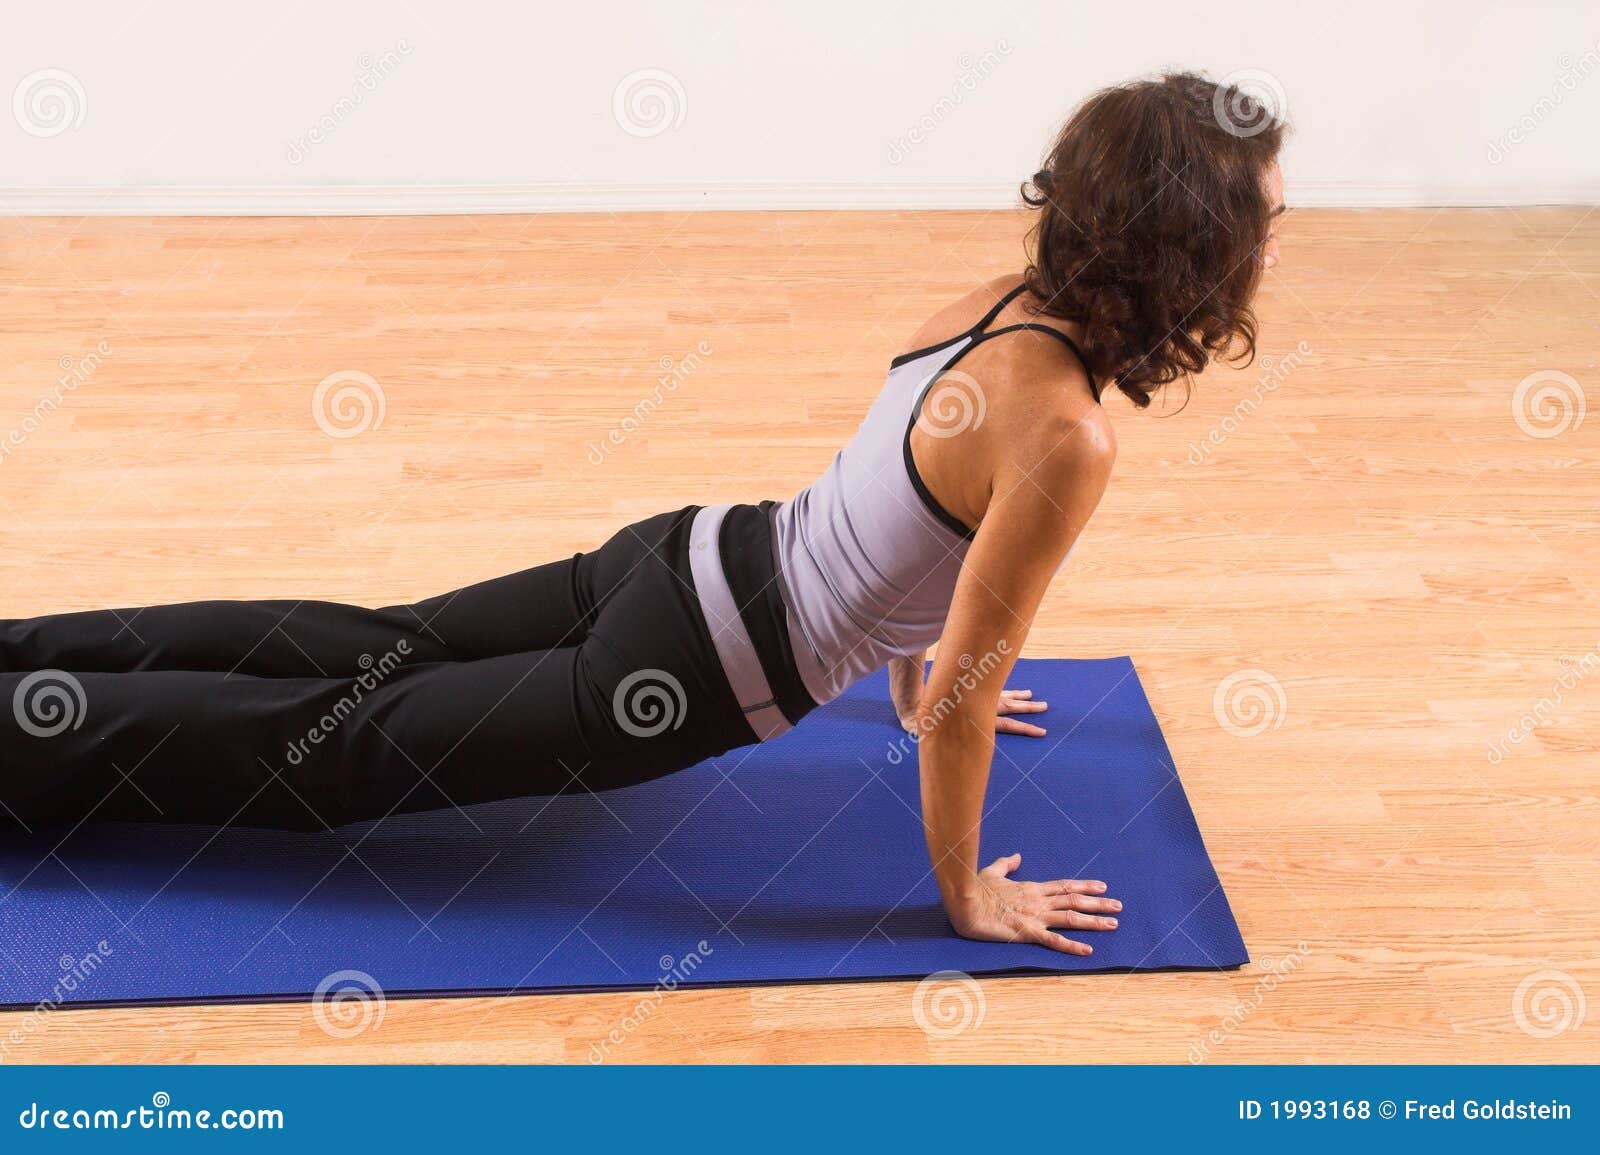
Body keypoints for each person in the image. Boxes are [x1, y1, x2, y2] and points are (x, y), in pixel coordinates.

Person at [0, 72, 1284, 955]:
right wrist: (961, 897)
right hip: (677, 669)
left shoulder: (999, 299)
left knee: (362, 646)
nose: (1275, 245)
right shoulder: (1068, 436)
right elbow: (964, 680)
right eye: (1263, 224)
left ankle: (30, 663)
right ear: (1189, 250)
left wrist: (904, 679)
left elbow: (910, 518)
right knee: (345, 752)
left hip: (684, 551)